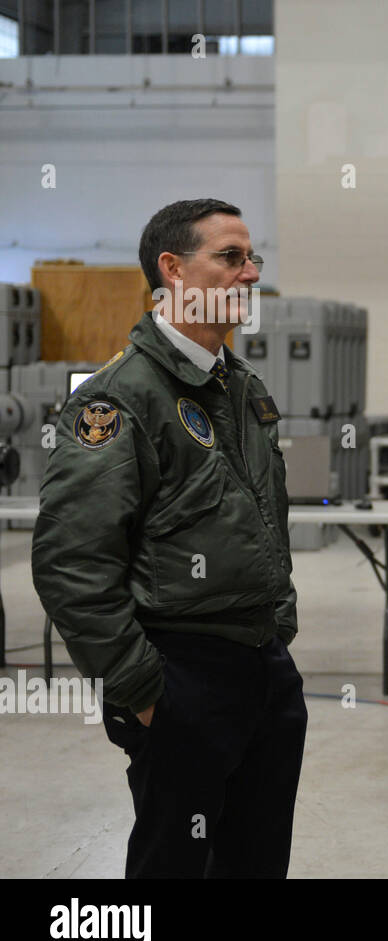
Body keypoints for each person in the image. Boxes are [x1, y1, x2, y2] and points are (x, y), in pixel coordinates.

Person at [32, 198, 306, 878]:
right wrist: (144, 687)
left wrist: (279, 633)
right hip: (180, 673)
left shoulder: (240, 386)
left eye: (253, 259)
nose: (249, 275)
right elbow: (72, 561)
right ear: (173, 270)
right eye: (230, 258)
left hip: (263, 668)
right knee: (173, 867)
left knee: (255, 862)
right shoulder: (120, 397)